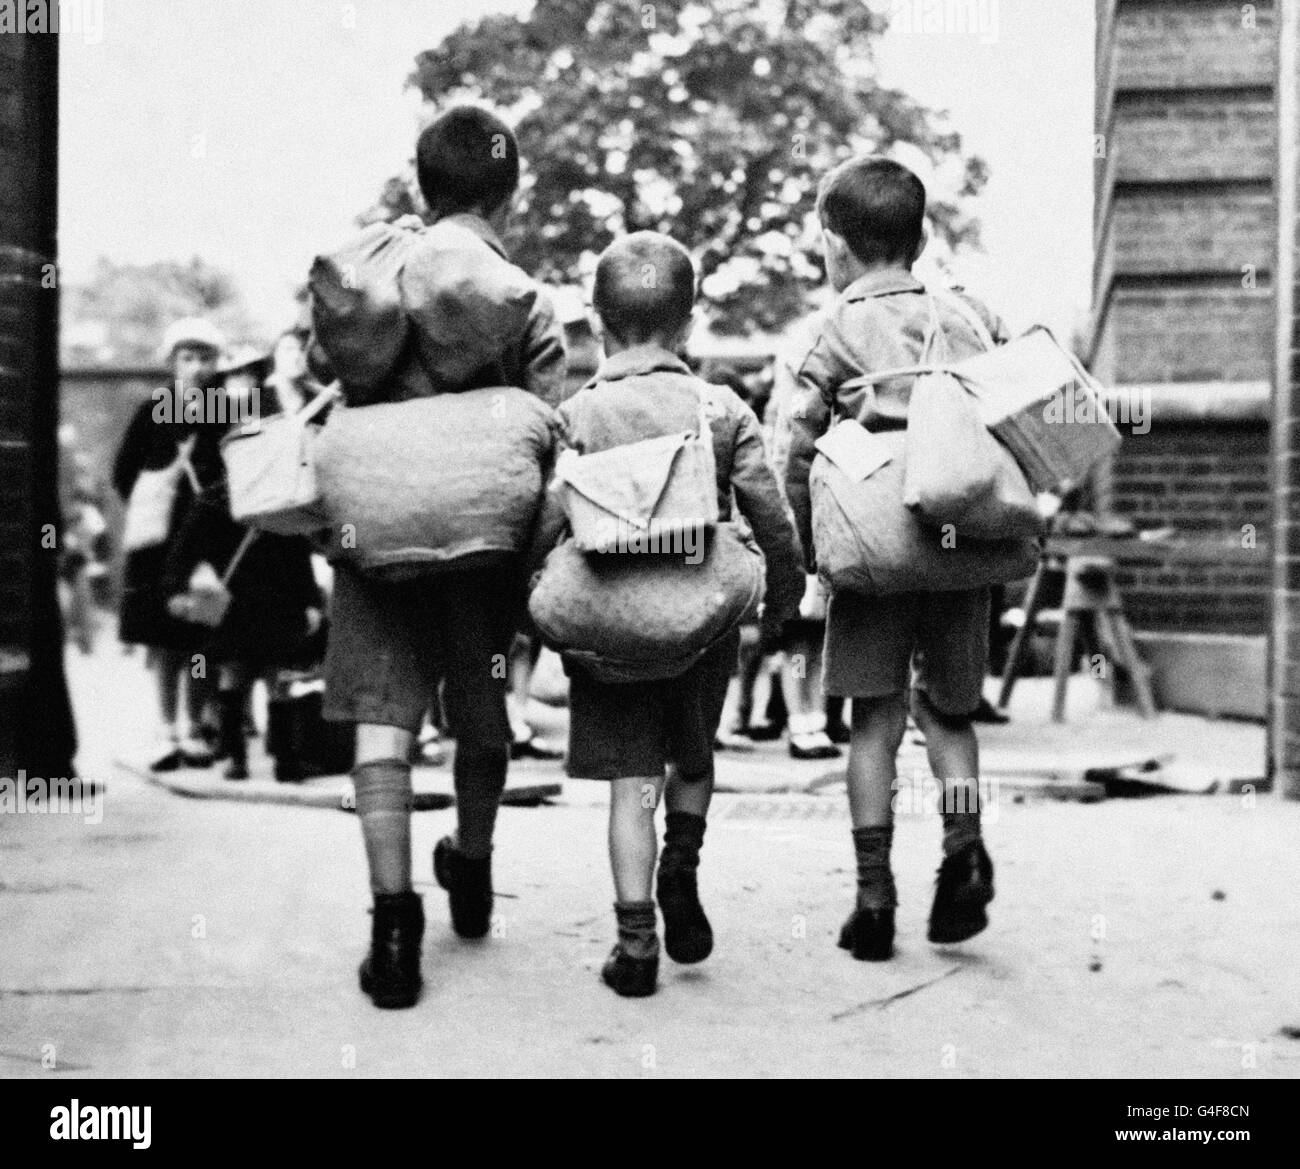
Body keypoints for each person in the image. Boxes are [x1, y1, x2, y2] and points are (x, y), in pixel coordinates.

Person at [319, 106, 567, 1009]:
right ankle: (471, 859)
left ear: (422, 185)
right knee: (481, 712)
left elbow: (330, 378)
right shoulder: (514, 295)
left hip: (373, 545)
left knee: (382, 724)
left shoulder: (375, 280)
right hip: (480, 549)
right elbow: (553, 427)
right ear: (511, 186)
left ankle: (392, 921)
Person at [541, 232, 804, 997]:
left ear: (595, 323)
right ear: (691, 324)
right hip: (700, 626)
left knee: (632, 785)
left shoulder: (576, 414)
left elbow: (543, 523)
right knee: (692, 754)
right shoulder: (720, 408)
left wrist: (530, 596)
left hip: (606, 629)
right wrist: (782, 601)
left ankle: (635, 947)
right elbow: (771, 516)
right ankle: (682, 866)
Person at [785, 156, 1010, 961]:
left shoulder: (833, 327)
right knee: (949, 713)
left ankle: (873, 901)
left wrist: (807, 550)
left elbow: (797, 440)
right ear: (920, 238)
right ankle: (963, 851)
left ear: (834, 247)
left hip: (874, 539)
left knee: (872, 723)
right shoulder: (969, 315)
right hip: (961, 535)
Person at [162, 345, 325, 783]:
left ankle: (281, 758)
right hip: (237, 593)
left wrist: (308, 598)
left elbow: (294, 546)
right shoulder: (218, 489)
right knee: (239, 675)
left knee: (276, 677)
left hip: (272, 591)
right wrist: (179, 585)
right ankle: (237, 755)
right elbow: (188, 541)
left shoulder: (273, 479)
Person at [113, 317, 227, 771]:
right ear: (172, 363)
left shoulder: (226, 412)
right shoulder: (153, 410)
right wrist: (154, 509)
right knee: (163, 641)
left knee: (201, 638)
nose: (196, 366)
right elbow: (124, 472)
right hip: (160, 542)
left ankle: (196, 725)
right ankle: (166, 729)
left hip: (208, 543)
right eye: (187, 357)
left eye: (205, 358)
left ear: (216, 364)